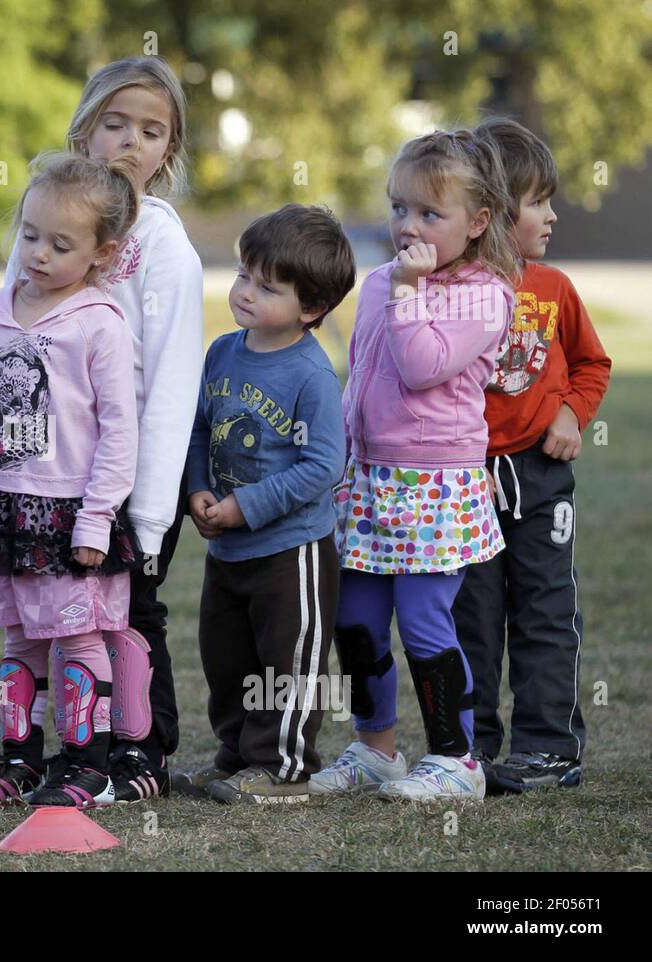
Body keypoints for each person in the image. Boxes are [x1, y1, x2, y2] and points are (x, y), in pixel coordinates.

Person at [5, 57, 203, 801]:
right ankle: (77, 748)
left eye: (151, 131)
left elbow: (175, 382)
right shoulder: (45, 224)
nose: (129, 141)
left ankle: (142, 749)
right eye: (115, 122)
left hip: (131, 472)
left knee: (131, 610)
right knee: (61, 608)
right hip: (49, 470)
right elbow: (11, 348)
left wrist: (149, 508)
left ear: (167, 151)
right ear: (84, 127)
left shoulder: (165, 248)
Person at [310, 128, 517, 802]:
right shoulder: (381, 283)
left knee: (425, 621)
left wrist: (408, 290)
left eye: (431, 213)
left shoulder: (485, 296)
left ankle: (456, 761)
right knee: (357, 621)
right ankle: (377, 750)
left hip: (435, 488)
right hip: (369, 481)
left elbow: (421, 363)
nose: (409, 225)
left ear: (478, 222)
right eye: (400, 208)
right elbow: (361, 374)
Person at [0, 153, 141, 809]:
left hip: (72, 514)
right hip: (5, 509)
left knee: (78, 635)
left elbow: (121, 430)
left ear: (101, 251)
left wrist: (96, 518)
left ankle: (89, 767)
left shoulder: (99, 323)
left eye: (61, 245)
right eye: (30, 234)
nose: (38, 253)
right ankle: (19, 763)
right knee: (20, 637)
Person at [452, 117, 611, 793]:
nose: (551, 215)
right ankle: (469, 748)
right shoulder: (450, 291)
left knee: (545, 612)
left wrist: (573, 415)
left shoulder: (554, 290)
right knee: (473, 620)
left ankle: (549, 747)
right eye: (538, 201)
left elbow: (592, 365)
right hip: (464, 484)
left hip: (539, 479)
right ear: (490, 210)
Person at [176, 204, 353, 804]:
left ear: (310, 309)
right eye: (243, 275)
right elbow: (200, 429)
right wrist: (199, 489)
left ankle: (282, 765)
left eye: (266, 286)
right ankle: (235, 755)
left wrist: (243, 507)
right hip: (227, 548)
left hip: (290, 551)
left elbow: (324, 466)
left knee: (286, 663)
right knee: (226, 659)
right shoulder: (223, 351)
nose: (245, 292)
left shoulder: (311, 375)